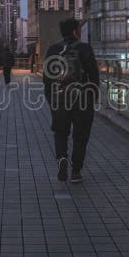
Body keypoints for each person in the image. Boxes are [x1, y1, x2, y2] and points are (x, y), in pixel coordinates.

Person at [43, 18, 99, 183]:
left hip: (59, 99)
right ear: (75, 31)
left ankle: (62, 159)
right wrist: (93, 98)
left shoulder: (53, 50)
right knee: (80, 136)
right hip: (81, 100)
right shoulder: (84, 48)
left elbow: (47, 79)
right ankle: (76, 171)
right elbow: (94, 76)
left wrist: (51, 100)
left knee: (60, 132)